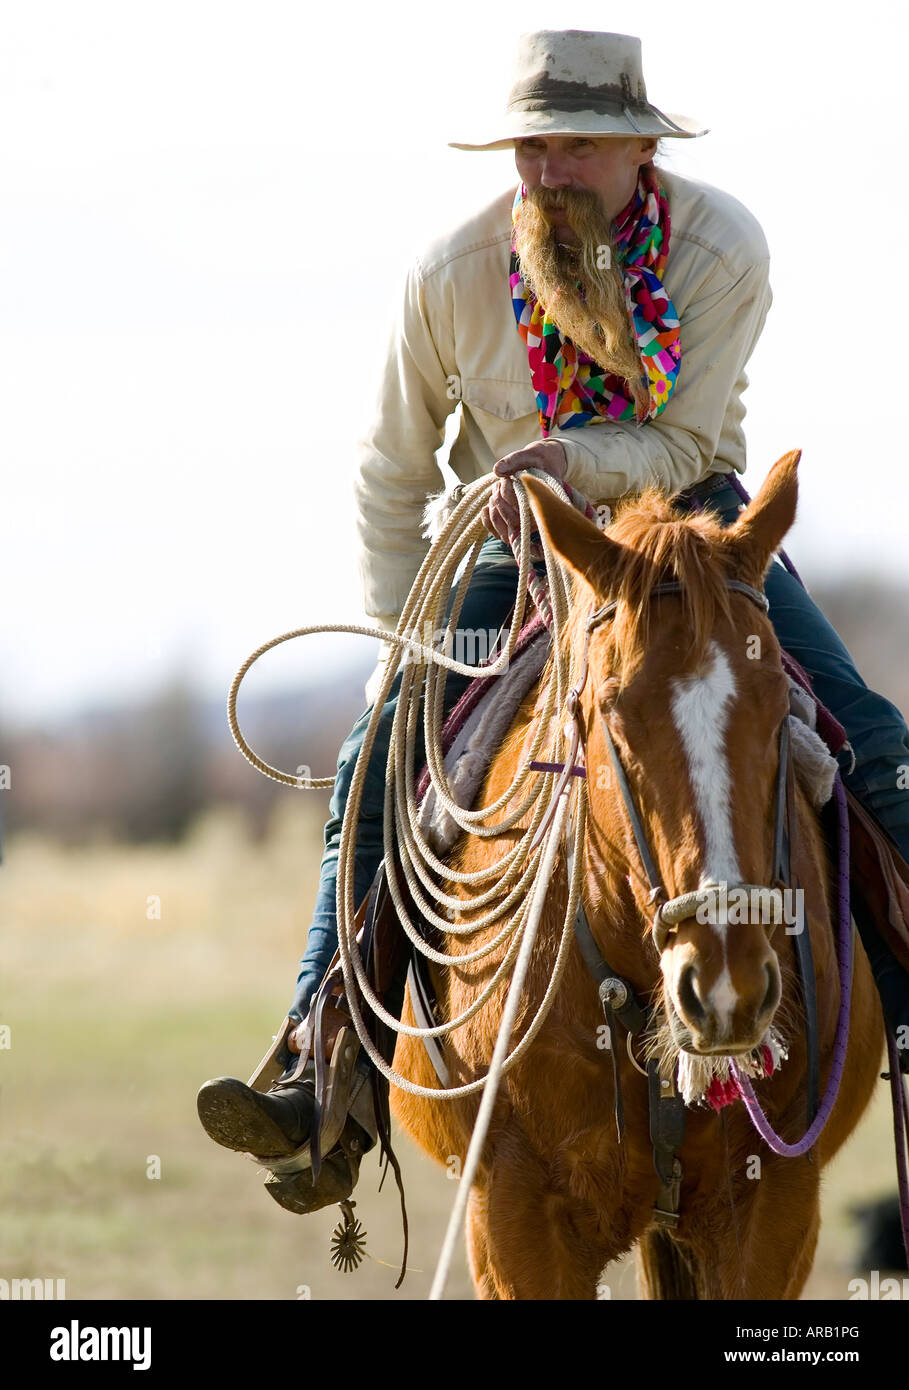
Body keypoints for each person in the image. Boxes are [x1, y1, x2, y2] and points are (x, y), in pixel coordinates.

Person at [198, 30, 909, 1215]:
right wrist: (405, 650)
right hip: (510, 542)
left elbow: (684, 445)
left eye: (574, 144)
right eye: (530, 146)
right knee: (375, 771)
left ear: (641, 149)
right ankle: (323, 1065)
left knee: (874, 746)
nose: (544, 172)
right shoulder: (450, 271)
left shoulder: (724, 247)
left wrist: (566, 455)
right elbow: (390, 473)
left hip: (693, 529)